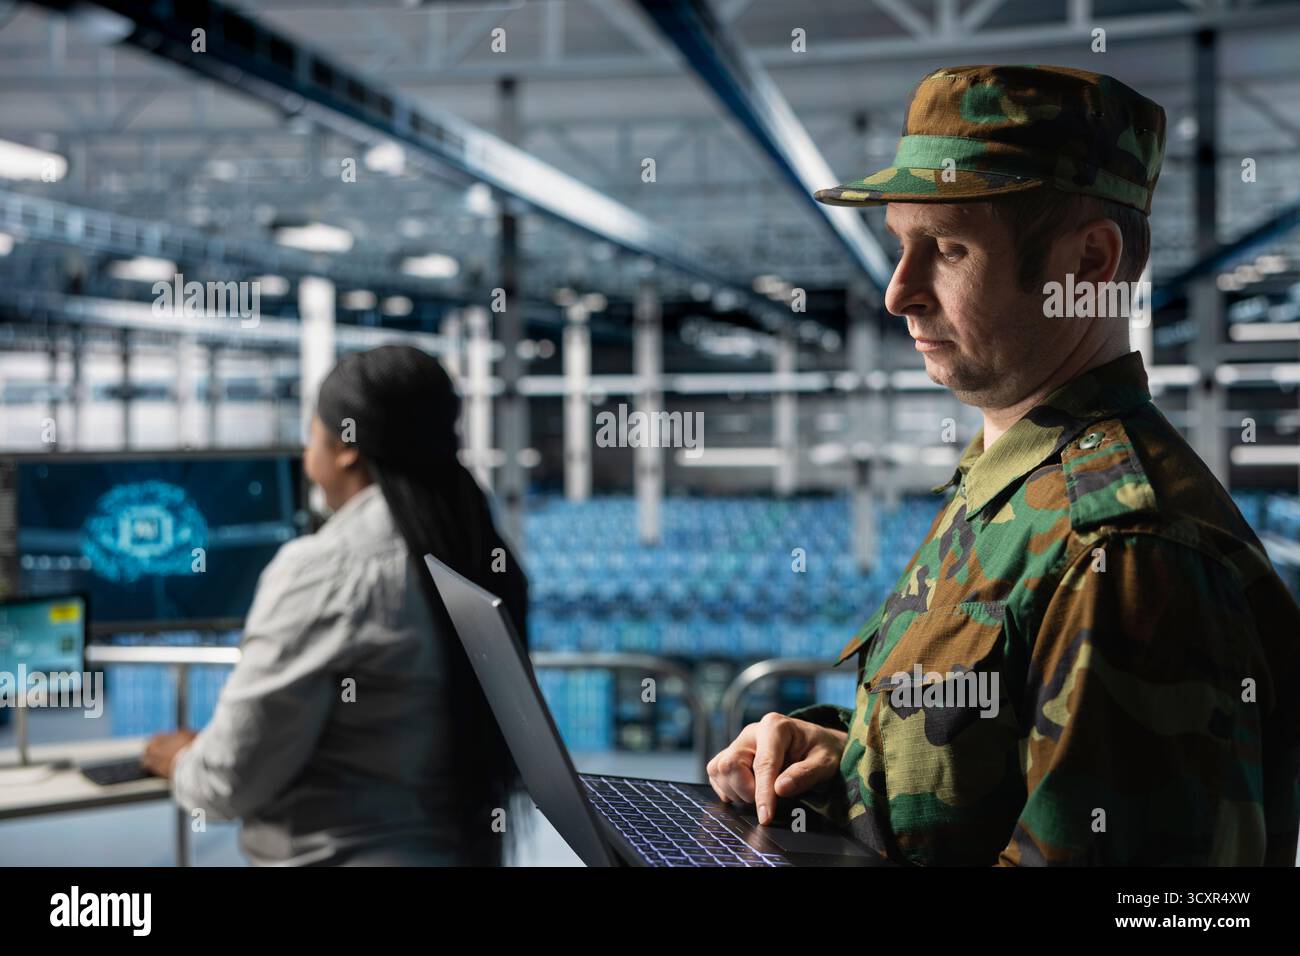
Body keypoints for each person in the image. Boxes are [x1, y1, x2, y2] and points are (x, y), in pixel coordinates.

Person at [707, 64, 1300, 865]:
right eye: (900, 246)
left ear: (1088, 265)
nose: (898, 293)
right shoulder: (1011, 482)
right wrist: (844, 757)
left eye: (947, 249)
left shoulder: (1123, 550)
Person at [142, 345, 528, 866]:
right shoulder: (473, 547)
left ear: (346, 448)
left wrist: (183, 759)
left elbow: (231, 780)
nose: (307, 456)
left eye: (311, 433)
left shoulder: (328, 571)